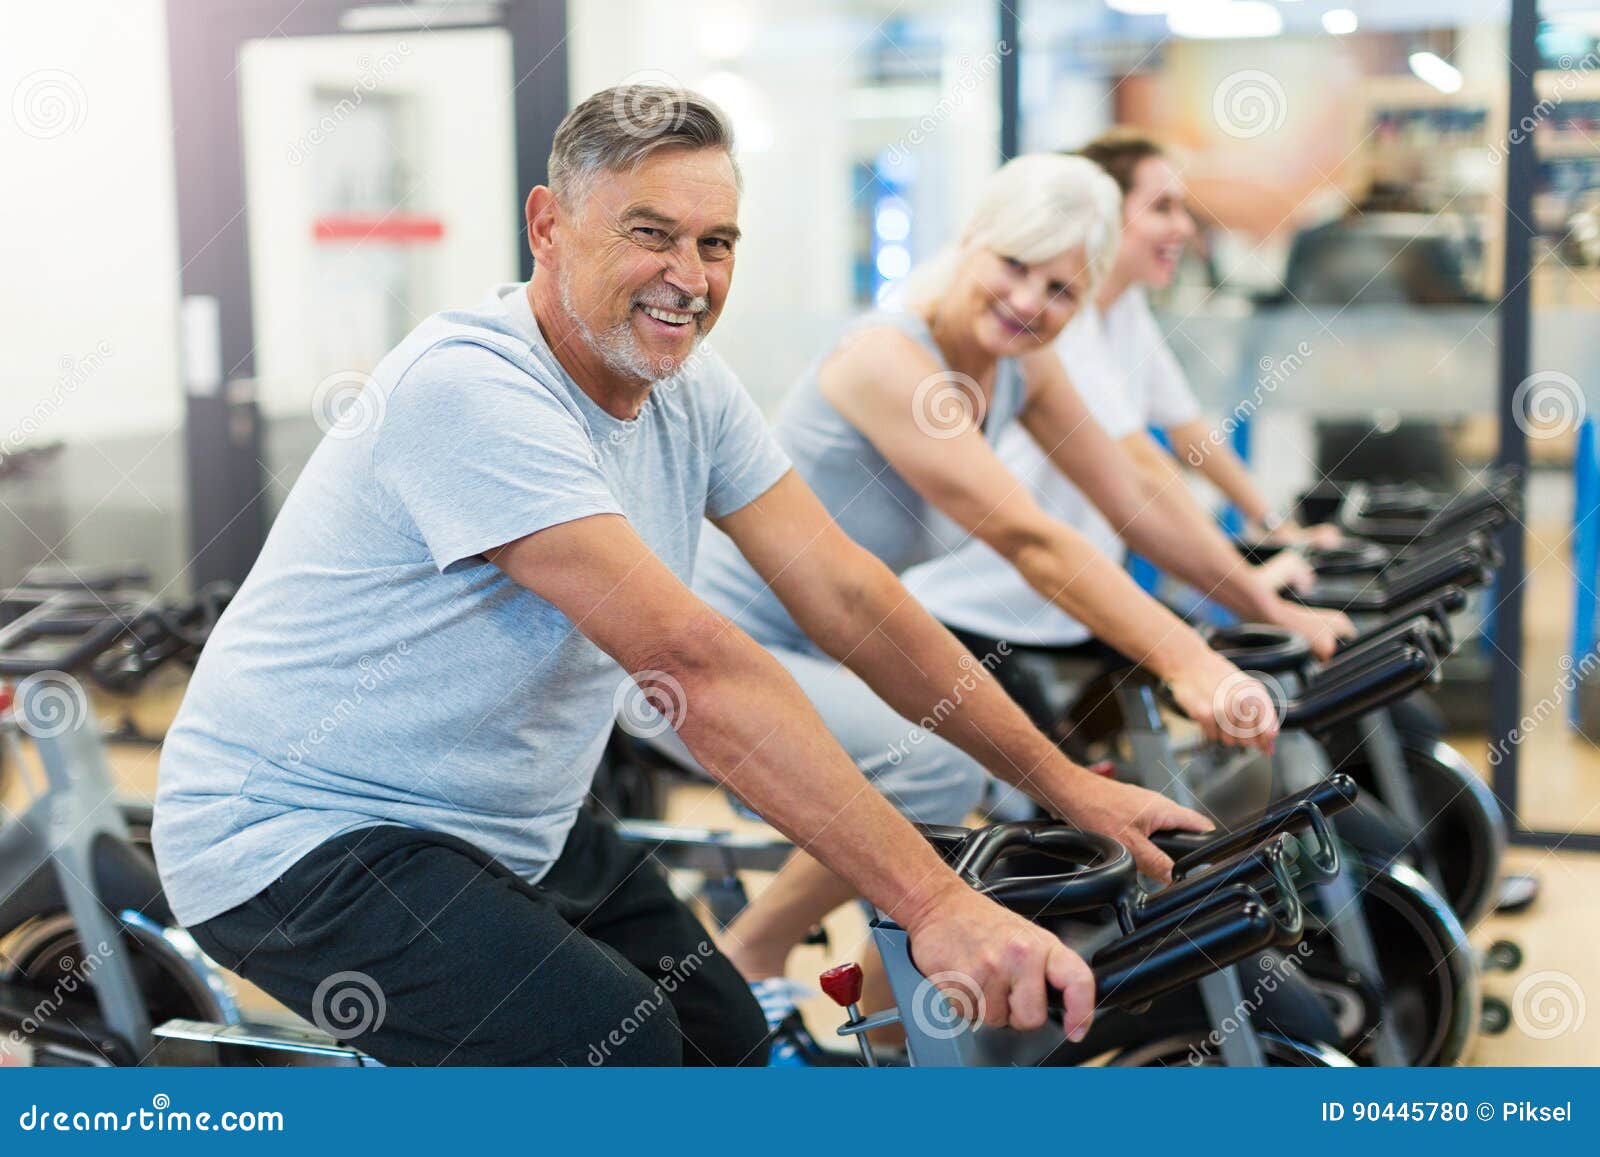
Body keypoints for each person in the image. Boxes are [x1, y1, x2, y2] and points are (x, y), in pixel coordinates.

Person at [151, 85, 1209, 1067]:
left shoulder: (688, 389)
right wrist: (938, 903)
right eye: (649, 233)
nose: (691, 278)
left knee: (733, 1054)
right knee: (633, 1065)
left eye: (716, 244)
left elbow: (847, 592)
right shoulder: (471, 389)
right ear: (549, 226)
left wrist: (1070, 786)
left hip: (510, 819)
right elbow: (694, 668)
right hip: (299, 834)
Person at [651, 151, 1350, 1049]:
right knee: (936, 766)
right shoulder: (887, 361)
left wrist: (1266, 605)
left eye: (1062, 289)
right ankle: (751, 954)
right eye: (1015, 266)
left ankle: (890, 1031)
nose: (1031, 301)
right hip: (725, 645)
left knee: (960, 777)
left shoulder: (1019, 364)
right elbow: (1034, 541)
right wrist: (1187, 658)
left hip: (839, 642)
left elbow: (1129, 498)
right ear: (971, 242)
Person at [903, 129, 1342, 677]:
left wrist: (1274, 528)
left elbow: (1188, 435)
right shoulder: (1054, 330)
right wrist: (1249, 586)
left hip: (1070, 596)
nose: (1184, 226)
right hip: (986, 606)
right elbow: (1139, 478)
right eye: (1162, 208)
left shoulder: (1117, 310)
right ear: (1107, 215)